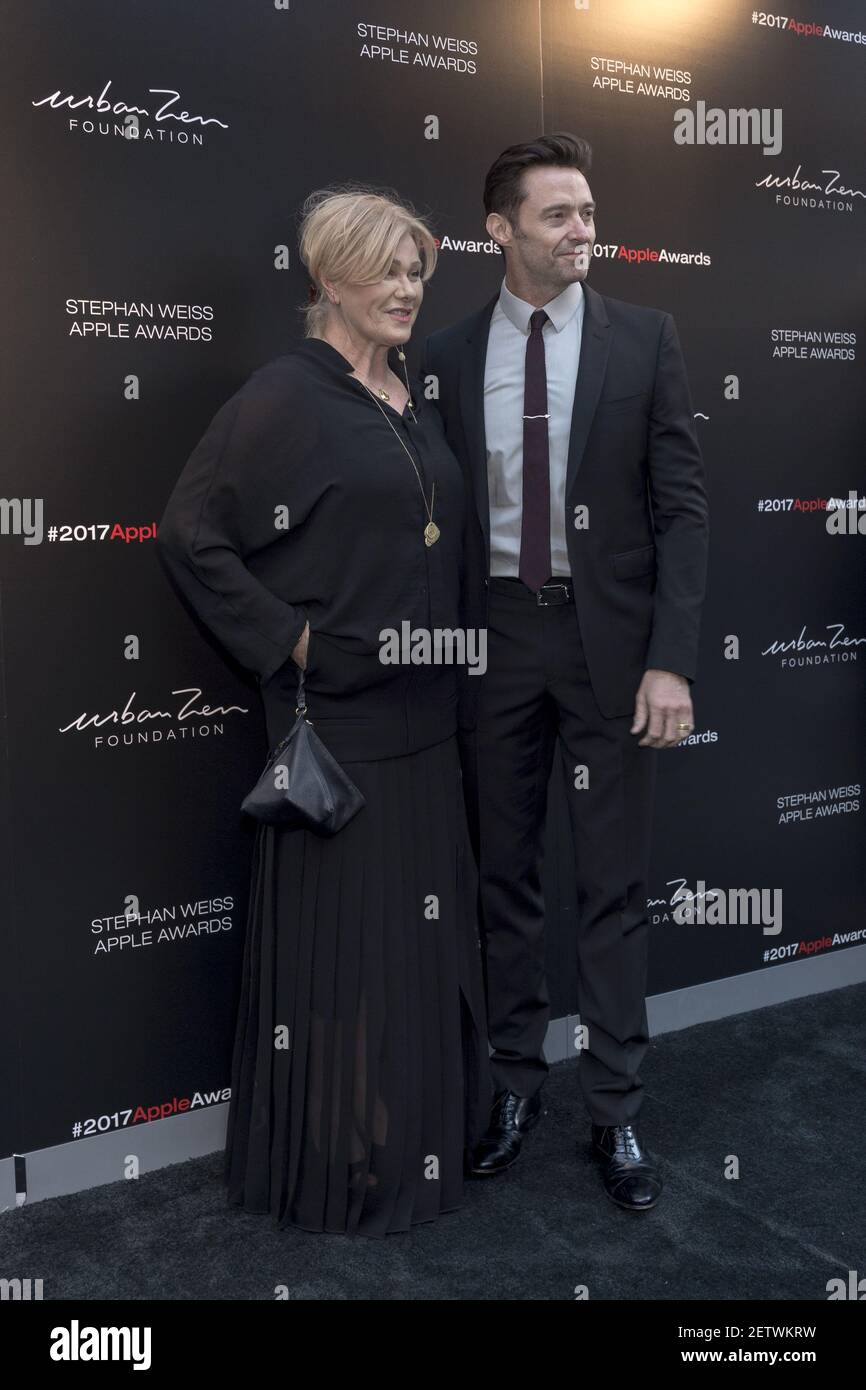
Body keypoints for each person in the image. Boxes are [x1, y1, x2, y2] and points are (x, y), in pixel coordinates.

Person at [156, 186, 491, 1237]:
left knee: (414, 952)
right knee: (347, 957)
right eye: (388, 271)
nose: (407, 290)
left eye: (417, 272)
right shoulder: (285, 394)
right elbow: (190, 532)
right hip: (337, 729)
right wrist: (291, 640)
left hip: (428, 719)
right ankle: (344, 1159)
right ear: (330, 280)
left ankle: (407, 1135)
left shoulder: (413, 393)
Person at [422, 134, 709, 1211]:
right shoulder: (447, 355)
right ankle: (509, 1085)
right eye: (556, 215)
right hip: (490, 641)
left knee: (612, 886)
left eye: (587, 212)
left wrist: (670, 660)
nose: (580, 230)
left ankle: (615, 1112)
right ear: (498, 230)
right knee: (501, 880)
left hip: (609, 648)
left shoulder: (645, 338)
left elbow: (681, 509)